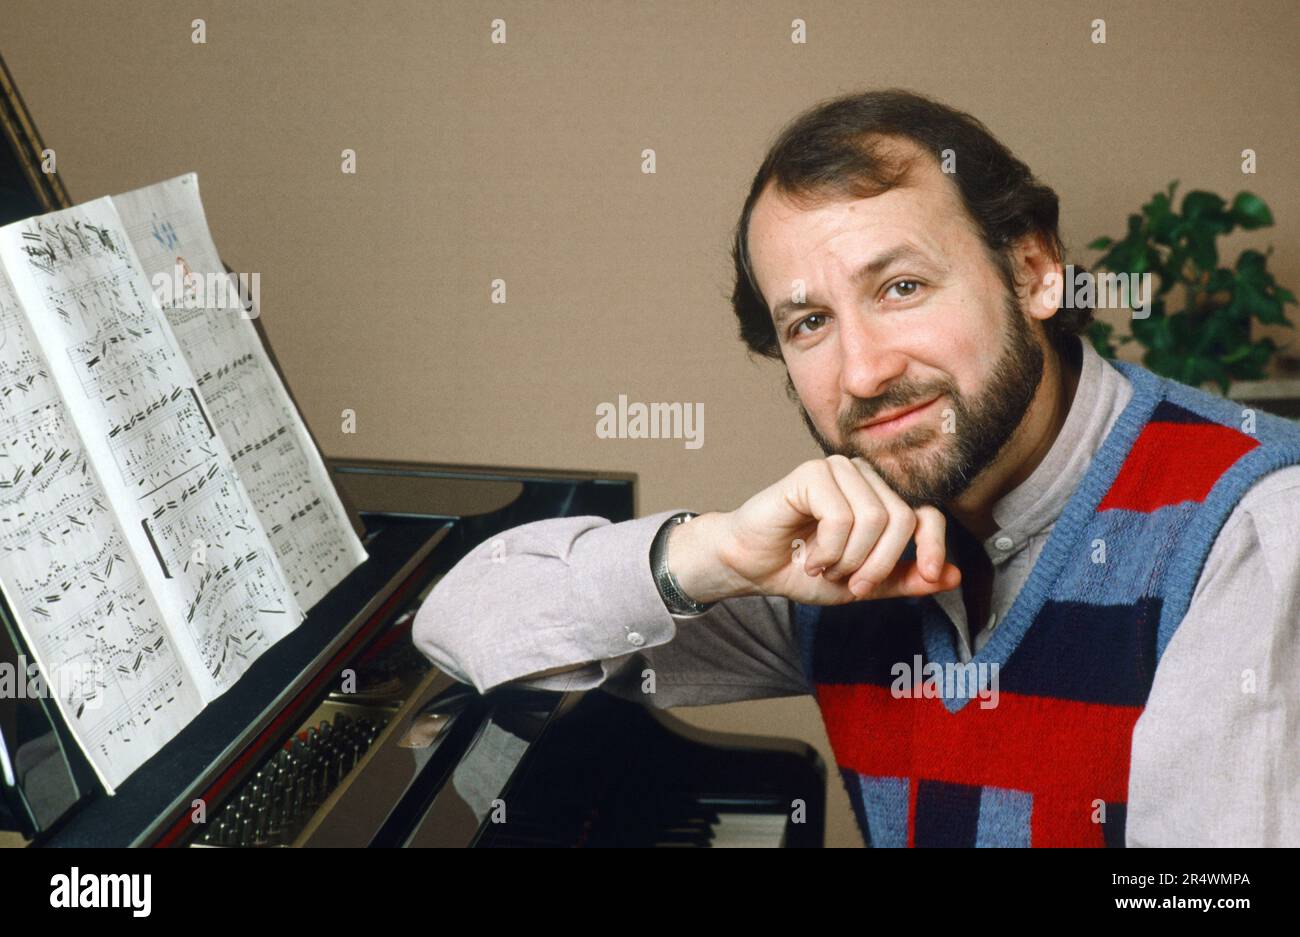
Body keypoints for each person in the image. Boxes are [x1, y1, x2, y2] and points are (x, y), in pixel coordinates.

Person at [413, 89, 1300, 847]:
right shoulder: (851, 535)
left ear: (1033, 271)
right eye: (809, 324)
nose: (865, 371)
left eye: (901, 287)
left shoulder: (1251, 528)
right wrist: (708, 555)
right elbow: (464, 626)